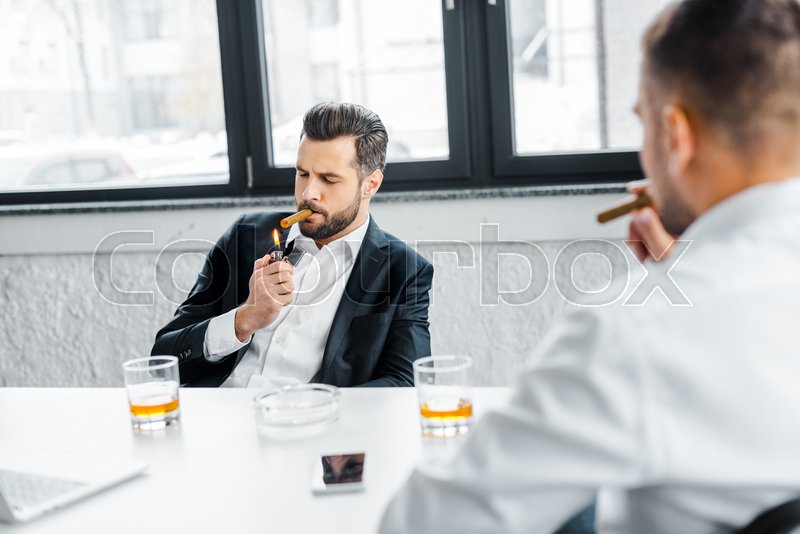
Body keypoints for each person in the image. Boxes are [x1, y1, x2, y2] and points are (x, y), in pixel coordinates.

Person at [379, 0, 800, 532]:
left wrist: (671, 287)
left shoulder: (635, 331)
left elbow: (423, 524)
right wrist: (686, 268)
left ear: (676, 137)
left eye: (642, 125)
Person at [151, 102, 433, 388]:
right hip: (217, 410)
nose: (308, 193)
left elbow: (405, 383)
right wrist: (244, 319)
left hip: (316, 414)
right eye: (302, 174)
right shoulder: (245, 234)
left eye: (328, 179)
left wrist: (313, 404)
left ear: (370, 184)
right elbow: (164, 359)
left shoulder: (404, 270)